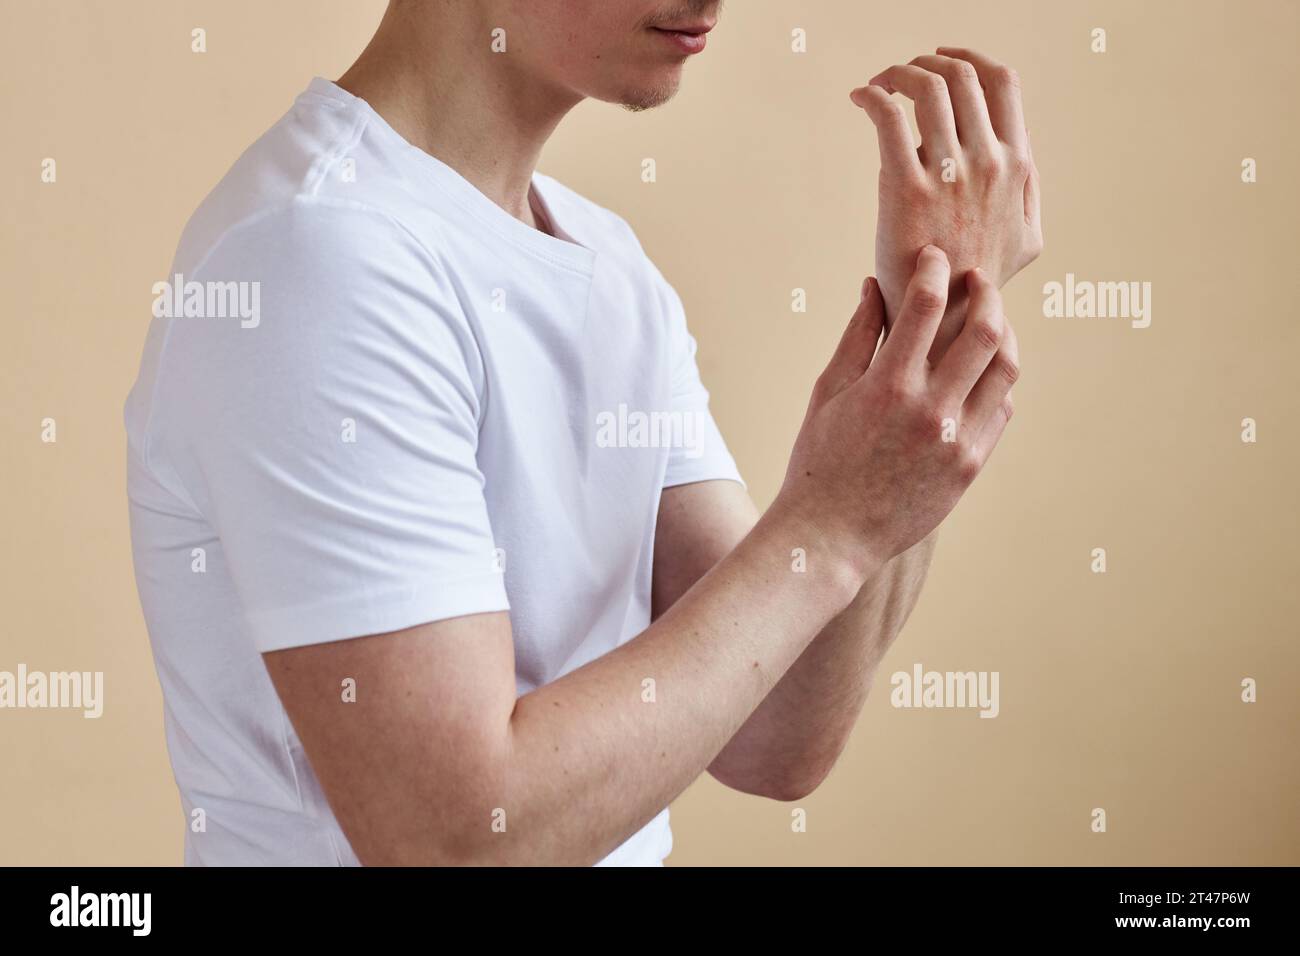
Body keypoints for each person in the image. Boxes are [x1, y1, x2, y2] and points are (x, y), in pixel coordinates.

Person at [124, 0, 1042, 866]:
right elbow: (452, 839)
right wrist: (832, 522)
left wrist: (936, 334)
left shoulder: (609, 265)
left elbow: (780, 735)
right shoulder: (319, 256)